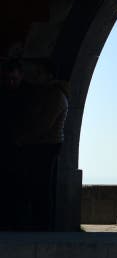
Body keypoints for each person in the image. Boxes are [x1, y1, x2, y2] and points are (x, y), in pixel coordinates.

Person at [14, 59, 70, 230]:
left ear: (49, 75)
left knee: (42, 188)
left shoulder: (54, 95)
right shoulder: (47, 93)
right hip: (43, 145)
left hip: (46, 146)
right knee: (38, 187)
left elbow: (43, 125)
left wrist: (22, 138)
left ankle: (43, 226)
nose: (35, 76)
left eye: (39, 73)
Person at [0, 59, 24, 230]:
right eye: (8, 79)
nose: (11, 83)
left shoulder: (28, 96)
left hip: (18, 151)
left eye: (14, 79)